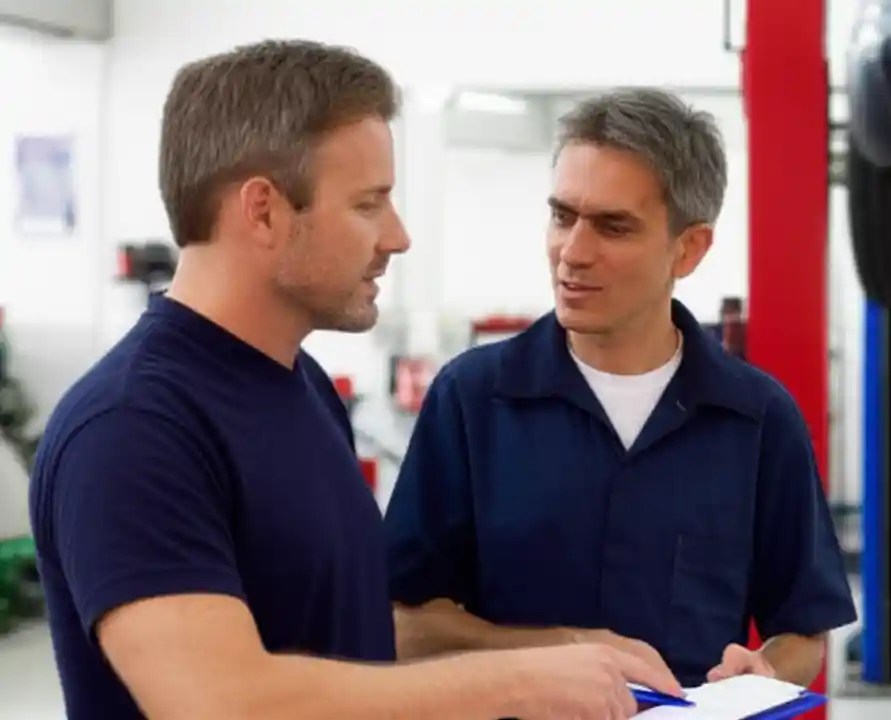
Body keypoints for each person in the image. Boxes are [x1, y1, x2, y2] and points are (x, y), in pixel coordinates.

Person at [27, 41, 678, 720]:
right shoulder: (134, 429)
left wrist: (563, 651)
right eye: (369, 204)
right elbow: (223, 703)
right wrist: (518, 683)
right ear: (264, 211)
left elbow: (352, 649)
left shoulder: (300, 385)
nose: (397, 237)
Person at [385, 88, 857, 689]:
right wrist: (564, 649)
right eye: (562, 216)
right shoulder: (472, 401)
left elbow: (803, 631)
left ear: (688, 249)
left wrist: (762, 670)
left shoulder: (758, 419)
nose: (572, 253)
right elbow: (403, 625)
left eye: (613, 226)